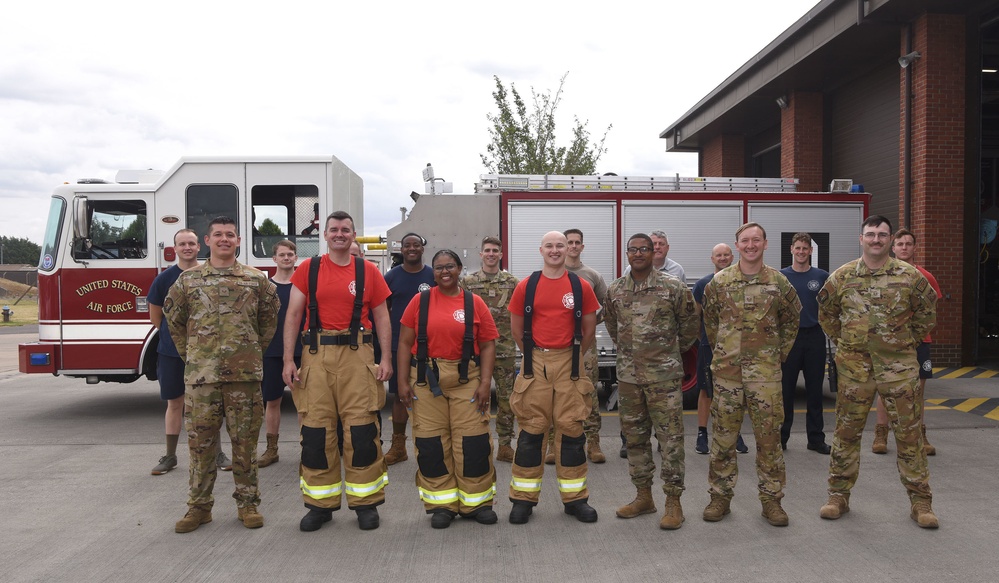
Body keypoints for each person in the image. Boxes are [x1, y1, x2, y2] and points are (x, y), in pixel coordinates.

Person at [817, 216, 939, 528]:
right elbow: (827, 313)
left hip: (898, 369)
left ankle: (920, 503)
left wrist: (904, 342)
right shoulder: (843, 276)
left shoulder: (909, 276)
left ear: (889, 240)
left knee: (909, 435)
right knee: (846, 433)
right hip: (855, 369)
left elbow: (927, 313)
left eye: (882, 235)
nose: (876, 240)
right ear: (861, 239)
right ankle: (838, 496)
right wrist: (846, 342)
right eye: (870, 234)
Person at [165, 216, 280, 533]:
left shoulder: (257, 281)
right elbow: (174, 320)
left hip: (244, 378)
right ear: (207, 240)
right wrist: (194, 355)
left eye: (230, 235)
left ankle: (248, 505)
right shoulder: (188, 281)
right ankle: (198, 508)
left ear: (239, 241)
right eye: (218, 235)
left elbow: (268, 322)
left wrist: (248, 351)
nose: (224, 239)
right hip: (202, 379)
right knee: (201, 447)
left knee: (245, 446)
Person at [281, 210, 394, 532]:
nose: (339, 234)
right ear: (326, 235)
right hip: (315, 356)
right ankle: (320, 505)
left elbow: (383, 317)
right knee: (316, 433)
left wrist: (386, 359)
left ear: (353, 235)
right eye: (334, 229)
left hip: (359, 356)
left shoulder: (368, 271)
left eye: (345, 229)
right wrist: (289, 360)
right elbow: (292, 315)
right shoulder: (308, 269)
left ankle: (366, 504)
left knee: (361, 433)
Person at [701, 222, 800, 527]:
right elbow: (711, 323)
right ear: (738, 245)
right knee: (723, 439)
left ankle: (772, 501)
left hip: (765, 376)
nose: (751, 245)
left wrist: (775, 355)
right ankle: (719, 498)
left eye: (756, 240)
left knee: (768, 439)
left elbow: (791, 321)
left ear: (765, 244)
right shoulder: (719, 283)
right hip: (728, 374)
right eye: (745, 241)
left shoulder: (779, 283)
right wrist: (726, 352)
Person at [396, 250, 500, 529]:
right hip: (426, 381)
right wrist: (402, 382)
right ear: (433, 271)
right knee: (431, 444)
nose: (445, 272)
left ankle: (476, 503)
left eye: (450, 266)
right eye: (439, 267)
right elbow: (405, 343)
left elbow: (489, 344)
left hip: (467, 380)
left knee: (473, 442)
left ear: (460, 269)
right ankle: (442, 504)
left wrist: (485, 384)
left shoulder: (474, 302)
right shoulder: (420, 301)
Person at [605, 234, 699, 529]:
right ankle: (643, 496)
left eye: (644, 248)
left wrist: (668, 353)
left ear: (654, 252)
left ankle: (674, 501)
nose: (638, 253)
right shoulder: (616, 289)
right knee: (635, 439)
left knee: (670, 441)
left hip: (664, 377)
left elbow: (690, 325)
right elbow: (612, 324)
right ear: (627, 254)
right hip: (629, 377)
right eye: (633, 249)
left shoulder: (672, 287)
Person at [506, 231, 600, 525]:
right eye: (550, 245)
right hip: (536, 363)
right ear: (541, 250)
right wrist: (536, 355)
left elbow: (588, 328)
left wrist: (571, 356)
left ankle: (575, 501)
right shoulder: (526, 286)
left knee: (572, 431)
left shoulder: (581, 285)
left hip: (570, 363)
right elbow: (517, 327)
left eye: (561, 245)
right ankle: (523, 500)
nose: (556, 250)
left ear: (568, 250)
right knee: (531, 433)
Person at [149, 229, 233, 475]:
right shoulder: (164, 279)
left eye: (191, 243)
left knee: (211, 404)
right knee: (175, 403)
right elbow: (157, 317)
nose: (187, 247)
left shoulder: (210, 275)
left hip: (206, 354)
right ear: (174, 248)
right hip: (172, 353)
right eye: (181, 244)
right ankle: (170, 456)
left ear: (200, 246)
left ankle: (218, 454)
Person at [870, 228, 943, 456]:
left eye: (908, 244)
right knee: (886, 390)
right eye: (900, 244)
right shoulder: (883, 275)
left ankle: (919, 435)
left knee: (917, 392)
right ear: (893, 247)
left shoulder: (926, 277)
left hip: (919, 342)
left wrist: (917, 335)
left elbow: (932, 311)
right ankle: (881, 434)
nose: (904, 247)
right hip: (891, 343)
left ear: (914, 247)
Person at [460, 236, 520, 463]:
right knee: (475, 398)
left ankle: (505, 445)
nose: (491, 254)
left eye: (495, 250)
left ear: (501, 254)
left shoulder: (512, 282)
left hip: (504, 349)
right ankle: (478, 441)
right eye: (487, 250)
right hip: (477, 351)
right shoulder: (468, 282)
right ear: (481, 254)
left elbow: (520, 315)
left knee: (506, 400)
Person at [383, 233, 436, 465]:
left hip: (431, 346)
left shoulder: (433, 276)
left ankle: (432, 444)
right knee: (400, 395)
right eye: (407, 245)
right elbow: (383, 313)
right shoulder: (391, 277)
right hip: (399, 345)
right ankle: (398, 446)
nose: (412, 248)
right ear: (401, 249)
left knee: (432, 395)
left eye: (416, 244)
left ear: (423, 248)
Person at [691, 243, 748, 456]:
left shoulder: (742, 282)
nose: (722, 258)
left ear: (732, 256)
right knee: (706, 390)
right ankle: (702, 433)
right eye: (718, 255)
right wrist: (704, 339)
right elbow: (695, 317)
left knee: (735, 391)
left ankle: (736, 432)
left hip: (735, 348)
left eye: (726, 255)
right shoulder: (703, 285)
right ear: (712, 258)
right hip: (709, 346)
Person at [779, 233, 831, 454]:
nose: (801, 252)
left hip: (814, 337)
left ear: (811, 251)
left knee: (814, 392)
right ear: (791, 250)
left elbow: (832, 306)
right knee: (785, 392)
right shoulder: (781, 276)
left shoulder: (821, 276)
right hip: (790, 339)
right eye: (797, 248)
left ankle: (816, 439)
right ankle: (781, 438)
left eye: (805, 249)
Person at [563, 228, 608, 464]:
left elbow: (608, 305)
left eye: (576, 242)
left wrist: (593, 323)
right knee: (557, 393)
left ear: (582, 246)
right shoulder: (552, 274)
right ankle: (555, 443)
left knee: (588, 390)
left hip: (585, 344)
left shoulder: (591, 276)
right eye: (568, 242)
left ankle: (593, 443)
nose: (572, 246)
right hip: (557, 344)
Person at [258, 240, 303, 467]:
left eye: (291, 254)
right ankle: (271, 449)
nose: (287, 258)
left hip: (300, 352)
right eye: (282, 255)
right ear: (274, 259)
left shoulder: (303, 286)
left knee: (303, 402)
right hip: (272, 352)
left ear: (296, 258)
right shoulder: (265, 288)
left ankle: (307, 447)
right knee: (272, 401)